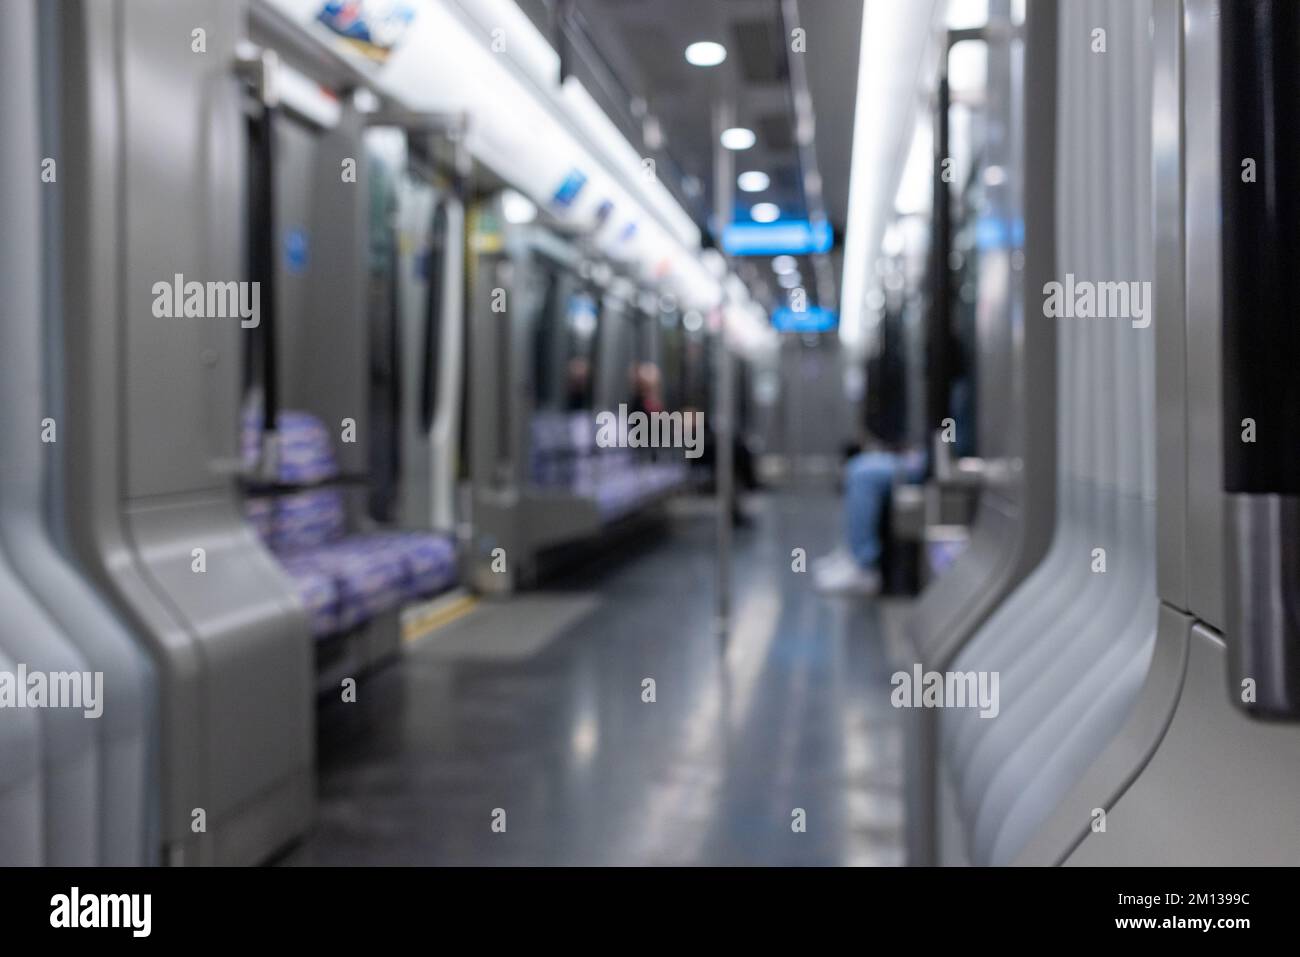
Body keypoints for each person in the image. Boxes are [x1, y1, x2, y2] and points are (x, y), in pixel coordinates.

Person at [814, 442, 926, 595]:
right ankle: (852, 552)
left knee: (861, 473)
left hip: (924, 461)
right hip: (918, 456)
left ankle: (863, 564)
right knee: (857, 465)